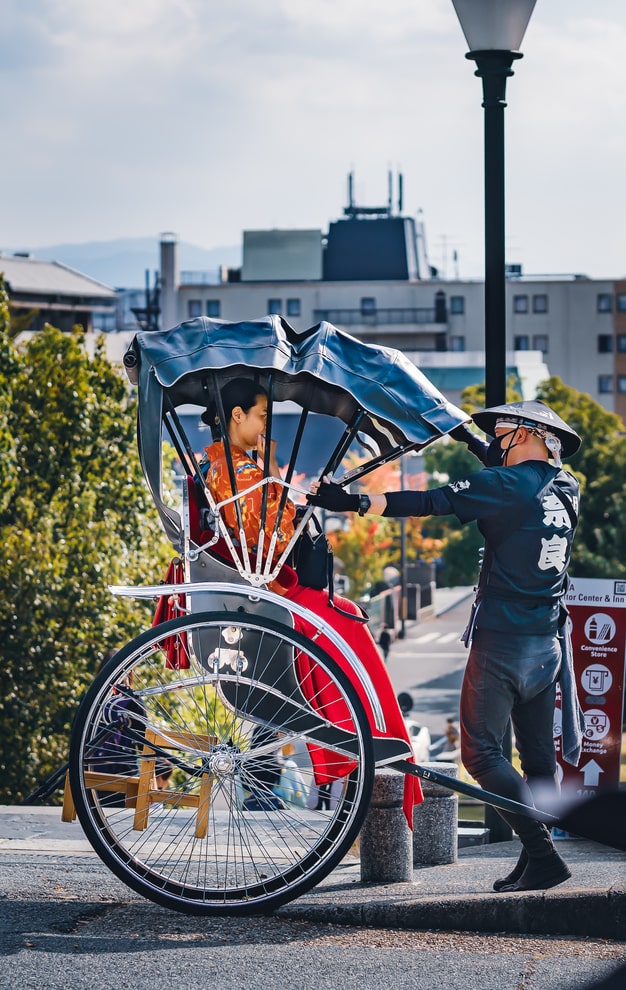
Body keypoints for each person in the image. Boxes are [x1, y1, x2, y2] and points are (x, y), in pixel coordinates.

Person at [309, 399, 584, 893]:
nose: (496, 442)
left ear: (524, 434)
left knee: (480, 756)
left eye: (501, 434)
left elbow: (429, 501)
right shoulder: (566, 488)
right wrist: (466, 438)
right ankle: (537, 858)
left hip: (502, 644)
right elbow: (515, 482)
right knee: (539, 761)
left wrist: (351, 503)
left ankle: (542, 857)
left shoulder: (502, 486)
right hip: (547, 647)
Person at [199, 378, 422, 827]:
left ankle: (360, 736)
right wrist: (294, 509)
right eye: (261, 416)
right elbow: (270, 536)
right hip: (272, 586)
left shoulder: (240, 466)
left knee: (349, 615)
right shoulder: (236, 470)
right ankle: (364, 734)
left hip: (276, 582)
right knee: (346, 621)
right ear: (237, 416)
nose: (264, 426)